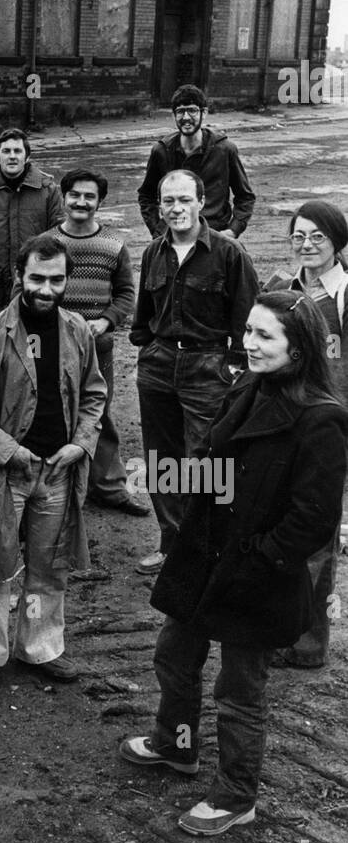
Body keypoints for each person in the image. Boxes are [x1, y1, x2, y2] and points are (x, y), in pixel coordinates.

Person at [120, 292, 348, 836]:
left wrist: (260, 558)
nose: (248, 343)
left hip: (256, 577)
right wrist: (177, 495)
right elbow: (216, 465)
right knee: (174, 655)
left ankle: (235, 795)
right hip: (203, 558)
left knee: (239, 691)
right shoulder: (246, 386)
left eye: (265, 336)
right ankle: (175, 747)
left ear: (300, 349)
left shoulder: (323, 419)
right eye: (247, 331)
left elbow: (313, 521)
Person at [0, 233, 107, 702]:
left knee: (49, 565)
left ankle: (39, 648)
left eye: (56, 279)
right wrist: (11, 451)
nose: (46, 288)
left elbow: (95, 395)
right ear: (20, 276)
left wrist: (81, 445)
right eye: (37, 277)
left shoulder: (77, 329)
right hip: (5, 473)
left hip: (58, 472)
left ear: (66, 281)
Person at [131, 169, 259, 575]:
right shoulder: (154, 252)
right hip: (158, 366)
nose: (176, 208)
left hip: (208, 366)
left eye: (184, 199)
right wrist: (149, 348)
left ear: (202, 202)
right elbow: (142, 317)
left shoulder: (227, 252)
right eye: (168, 201)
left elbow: (247, 316)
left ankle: (201, 552)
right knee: (162, 460)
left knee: (204, 462)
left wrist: (235, 365)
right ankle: (172, 546)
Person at [263, 200, 348, 668]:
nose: (307, 245)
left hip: (330, 427)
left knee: (318, 534)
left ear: (337, 241)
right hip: (283, 421)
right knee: (281, 525)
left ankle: (309, 643)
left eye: (318, 236)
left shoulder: (346, 293)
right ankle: (281, 628)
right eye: (299, 235)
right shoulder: (281, 286)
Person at [48, 167, 146, 516]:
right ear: (64, 197)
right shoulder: (48, 244)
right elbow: (29, 291)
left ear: (100, 202)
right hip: (53, 348)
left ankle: (108, 488)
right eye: (75, 195)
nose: (81, 202)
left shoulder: (114, 245)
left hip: (97, 349)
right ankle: (55, 490)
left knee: (98, 416)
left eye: (90, 196)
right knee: (53, 416)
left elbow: (125, 295)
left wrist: (106, 321)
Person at [0, 128, 64, 309]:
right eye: (6, 151)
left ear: (27, 157)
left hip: (34, 281)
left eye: (17, 151)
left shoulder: (48, 189)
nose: (12, 156)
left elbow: (57, 233)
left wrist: (40, 265)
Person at [137, 85, 255, 240]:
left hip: (213, 235)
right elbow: (146, 195)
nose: (186, 117)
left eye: (192, 110)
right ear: (174, 115)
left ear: (204, 113)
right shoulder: (162, 151)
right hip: (174, 236)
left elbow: (245, 197)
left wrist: (233, 230)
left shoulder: (224, 150)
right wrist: (158, 230)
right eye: (180, 112)